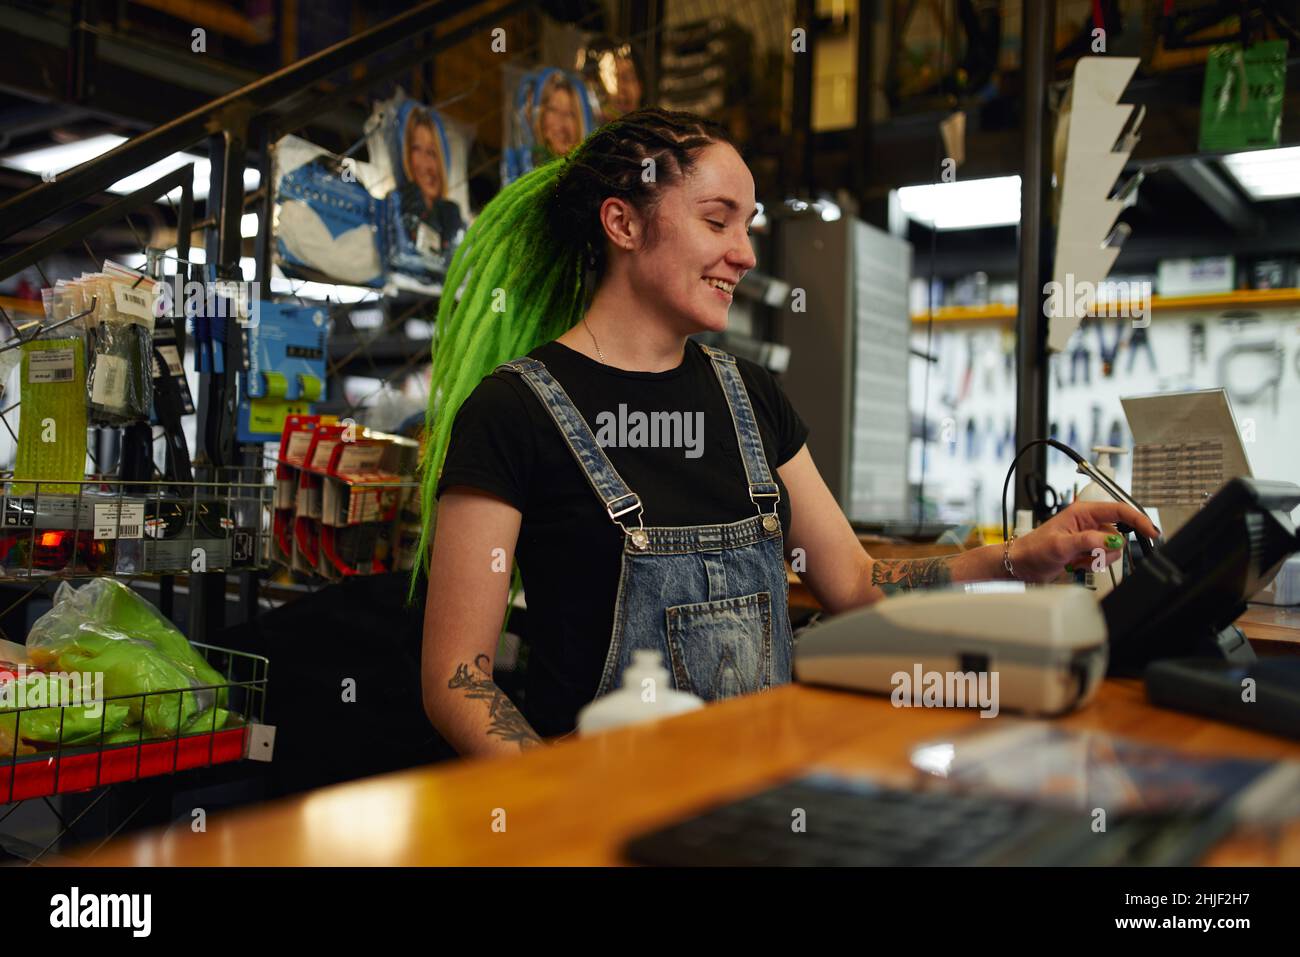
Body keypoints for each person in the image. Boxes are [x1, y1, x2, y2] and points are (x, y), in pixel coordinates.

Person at [417, 108, 1158, 758]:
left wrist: (1019, 557)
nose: (745, 251)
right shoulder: (513, 412)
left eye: (748, 225)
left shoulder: (751, 398)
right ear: (623, 223)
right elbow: (458, 677)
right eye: (717, 220)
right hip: (605, 819)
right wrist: (556, 786)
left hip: (759, 797)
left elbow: (859, 584)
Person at [397, 107, 463, 263]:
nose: (426, 165)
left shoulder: (451, 213)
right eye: (417, 149)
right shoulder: (400, 203)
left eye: (432, 153)